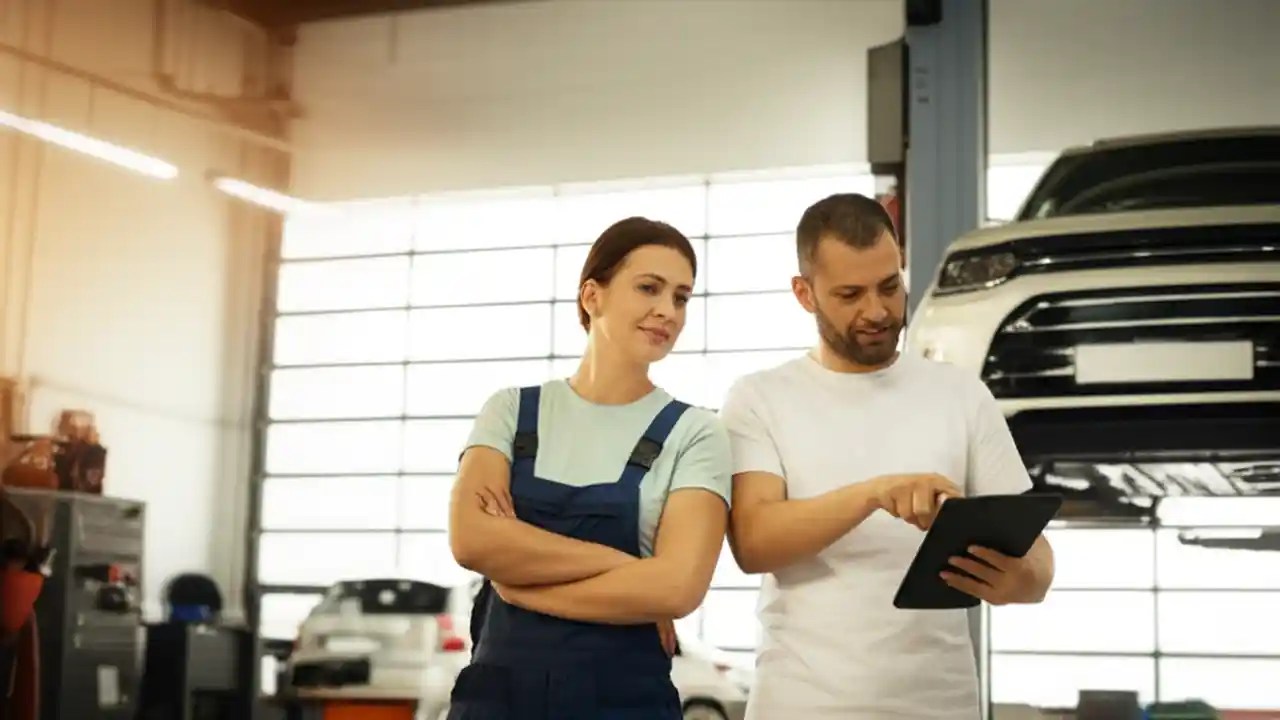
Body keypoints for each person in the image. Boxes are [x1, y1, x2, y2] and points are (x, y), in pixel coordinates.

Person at [720, 193, 1055, 720]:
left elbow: (1038, 561)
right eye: (849, 294)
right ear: (804, 294)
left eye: (889, 286)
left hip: (942, 705)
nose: (876, 311)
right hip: (802, 704)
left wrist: (1022, 581)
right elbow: (754, 542)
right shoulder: (760, 397)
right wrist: (873, 493)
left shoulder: (960, 394)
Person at [446, 217, 733, 719]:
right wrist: (631, 570)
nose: (667, 310)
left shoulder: (696, 433)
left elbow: (678, 587)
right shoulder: (511, 412)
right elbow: (472, 541)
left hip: (622, 705)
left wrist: (518, 581)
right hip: (495, 703)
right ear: (591, 295)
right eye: (649, 288)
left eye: (682, 297)